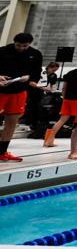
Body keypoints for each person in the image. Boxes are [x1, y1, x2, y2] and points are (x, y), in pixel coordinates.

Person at [0, 32, 43, 162]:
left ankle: (2, 151)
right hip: (1, 90)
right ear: (14, 42)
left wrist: (30, 78)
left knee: (12, 122)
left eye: (24, 46)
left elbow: (36, 71)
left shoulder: (35, 54)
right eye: (18, 45)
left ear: (29, 44)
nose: (21, 48)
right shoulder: (2, 51)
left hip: (19, 92)